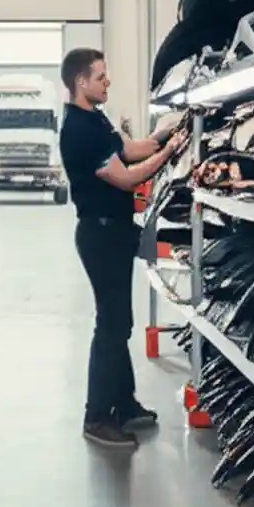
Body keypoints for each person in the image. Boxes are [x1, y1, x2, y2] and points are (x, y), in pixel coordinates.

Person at [58, 47, 188, 448]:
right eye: (101, 77)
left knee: (120, 322)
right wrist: (169, 154)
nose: (107, 81)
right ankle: (96, 417)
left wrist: (166, 134)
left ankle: (124, 403)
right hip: (100, 235)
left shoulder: (95, 118)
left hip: (113, 230)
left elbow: (130, 150)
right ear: (81, 81)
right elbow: (126, 177)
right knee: (111, 324)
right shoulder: (78, 129)